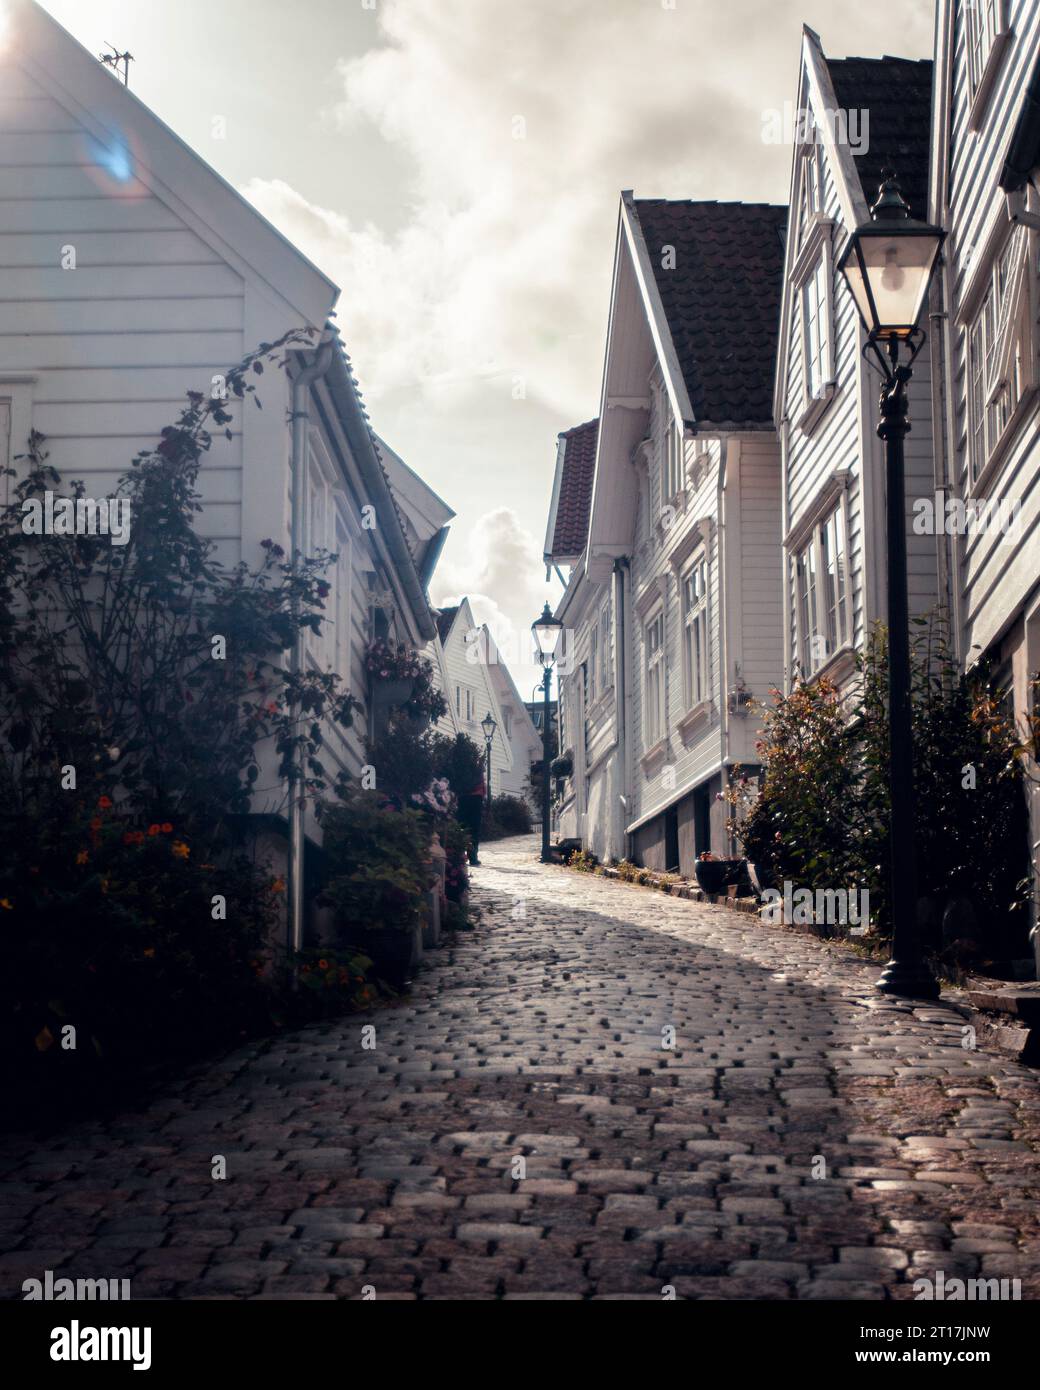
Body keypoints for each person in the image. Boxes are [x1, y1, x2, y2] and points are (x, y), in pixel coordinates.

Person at [457, 772, 486, 866]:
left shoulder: (461, 764)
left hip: (462, 797)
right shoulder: (476, 766)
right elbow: (481, 783)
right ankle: (472, 857)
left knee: (460, 827)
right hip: (475, 797)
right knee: (474, 829)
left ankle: (460, 856)